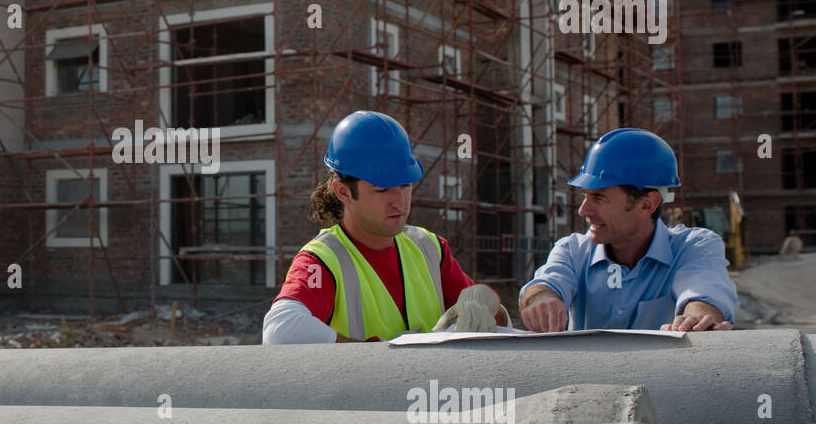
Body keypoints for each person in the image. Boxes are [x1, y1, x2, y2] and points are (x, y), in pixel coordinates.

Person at [263, 110, 508, 343]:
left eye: (405, 186)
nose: (399, 203)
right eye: (382, 190)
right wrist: (376, 358)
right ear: (343, 191)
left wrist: (494, 309)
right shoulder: (322, 262)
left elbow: (490, 317)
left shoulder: (429, 248)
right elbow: (280, 330)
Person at [519, 128, 738, 333]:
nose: (583, 210)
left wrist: (698, 318)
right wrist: (541, 297)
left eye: (599, 197)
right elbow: (547, 283)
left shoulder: (694, 247)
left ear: (647, 205)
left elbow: (704, 288)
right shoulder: (572, 251)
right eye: (585, 196)